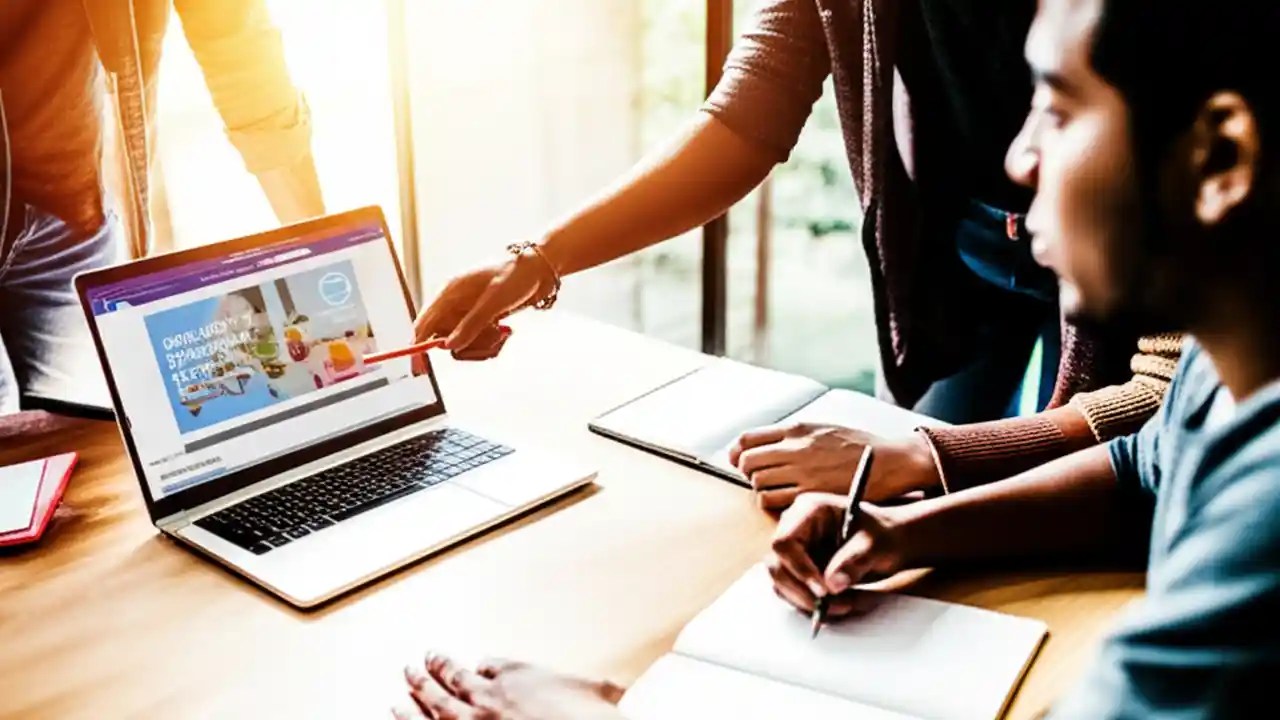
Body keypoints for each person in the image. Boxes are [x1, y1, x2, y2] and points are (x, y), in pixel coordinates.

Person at [388, 0, 1280, 715]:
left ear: (1223, 159)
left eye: (1054, 106)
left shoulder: (1257, 527)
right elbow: (1146, 464)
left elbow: (1153, 416)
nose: (1017, 157)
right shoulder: (1228, 384)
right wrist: (908, 527)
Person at [410, 0, 1181, 511]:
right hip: (955, 249)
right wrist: (538, 259)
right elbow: (750, 112)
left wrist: (932, 458)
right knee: (892, 484)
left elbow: (1164, 407)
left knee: (1088, 501)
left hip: (1113, 251)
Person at [0, 0, 324, 415]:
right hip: (70, 216)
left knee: (93, 446)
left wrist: (321, 245)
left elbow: (234, 37)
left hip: (72, 219)